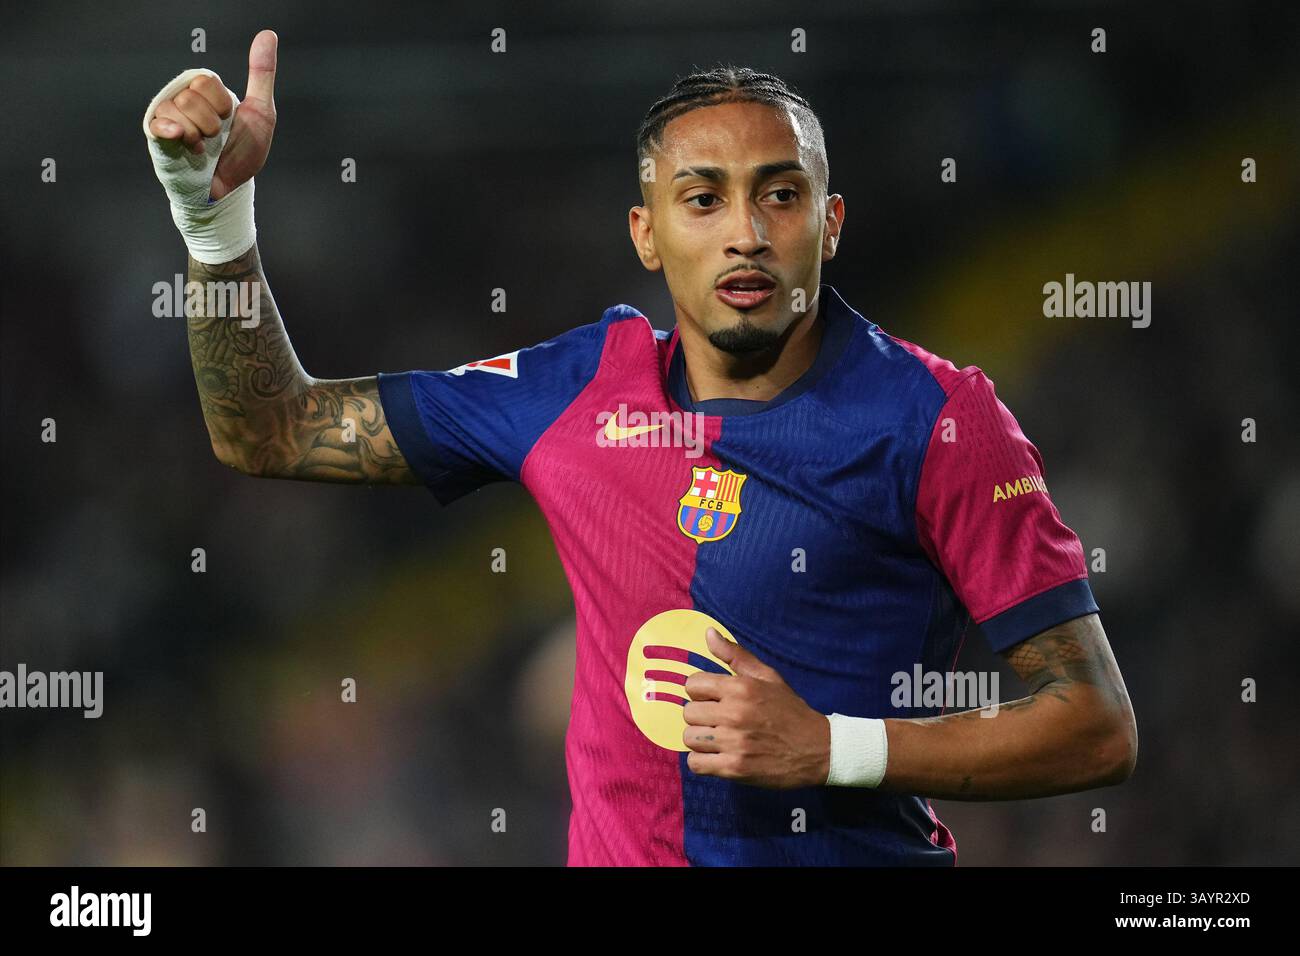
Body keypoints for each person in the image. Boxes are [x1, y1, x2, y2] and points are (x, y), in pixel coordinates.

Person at [143, 30, 1137, 866]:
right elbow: (269, 428)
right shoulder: (573, 386)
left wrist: (832, 746)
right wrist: (214, 215)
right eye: (702, 199)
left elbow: (1095, 723)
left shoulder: (940, 419)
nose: (744, 232)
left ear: (830, 223)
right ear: (646, 232)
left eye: (779, 195)